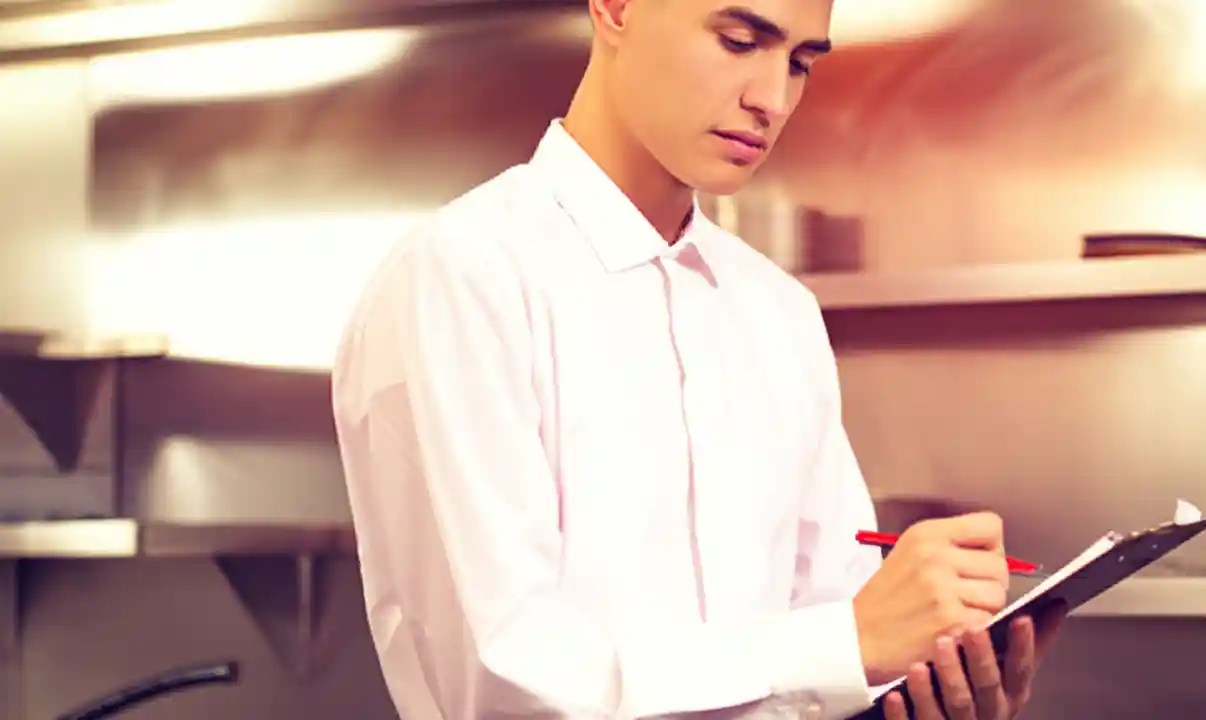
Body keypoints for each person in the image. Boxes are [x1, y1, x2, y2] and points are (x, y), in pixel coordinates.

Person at [331, 0, 1065, 718]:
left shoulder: (779, 312)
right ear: (615, 8)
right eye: (741, 40)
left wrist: (924, 686)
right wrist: (847, 644)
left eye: (801, 62)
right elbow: (505, 682)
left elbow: (832, 649)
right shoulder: (463, 277)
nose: (773, 99)